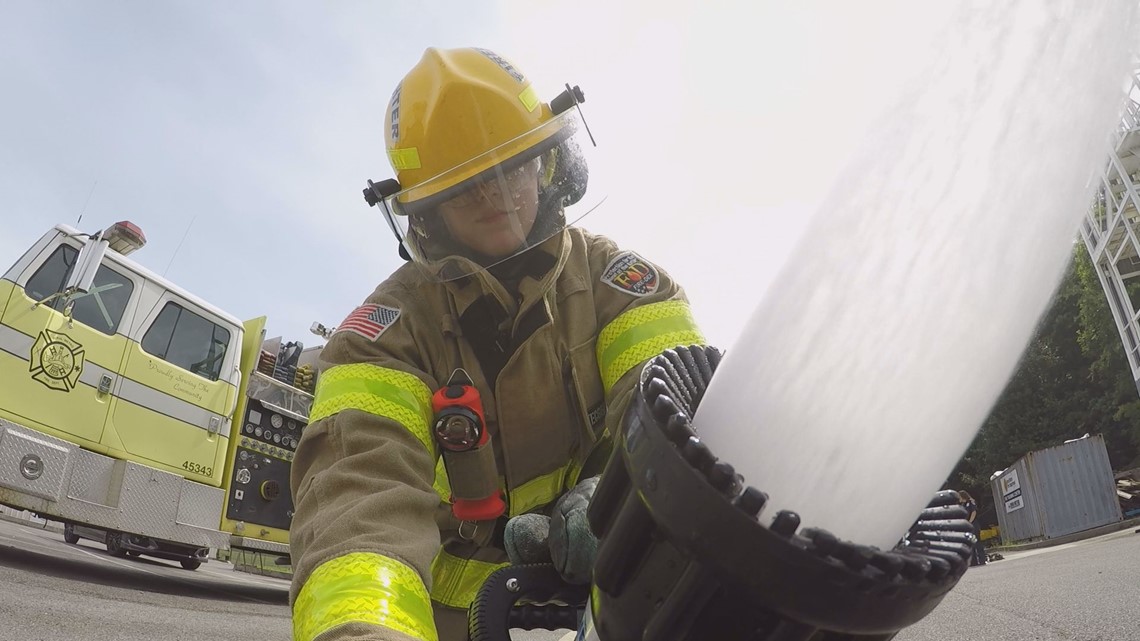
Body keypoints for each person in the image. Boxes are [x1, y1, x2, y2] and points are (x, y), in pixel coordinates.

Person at [288, 47, 707, 641]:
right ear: (426, 214)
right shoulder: (385, 334)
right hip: (445, 621)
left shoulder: (619, 283)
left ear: (547, 164)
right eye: (467, 189)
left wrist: (624, 501)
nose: (498, 198)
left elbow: (687, 417)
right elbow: (357, 498)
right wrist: (365, 630)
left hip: (612, 596)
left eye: (512, 169)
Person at [957, 490, 987, 566]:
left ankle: (981, 560)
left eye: (959, 496)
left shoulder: (971, 502)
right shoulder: (963, 505)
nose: (958, 498)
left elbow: (974, 512)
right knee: (970, 544)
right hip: (967, 526)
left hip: (973, 525)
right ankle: (973, 562)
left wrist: (970, 521)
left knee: (977, 543)